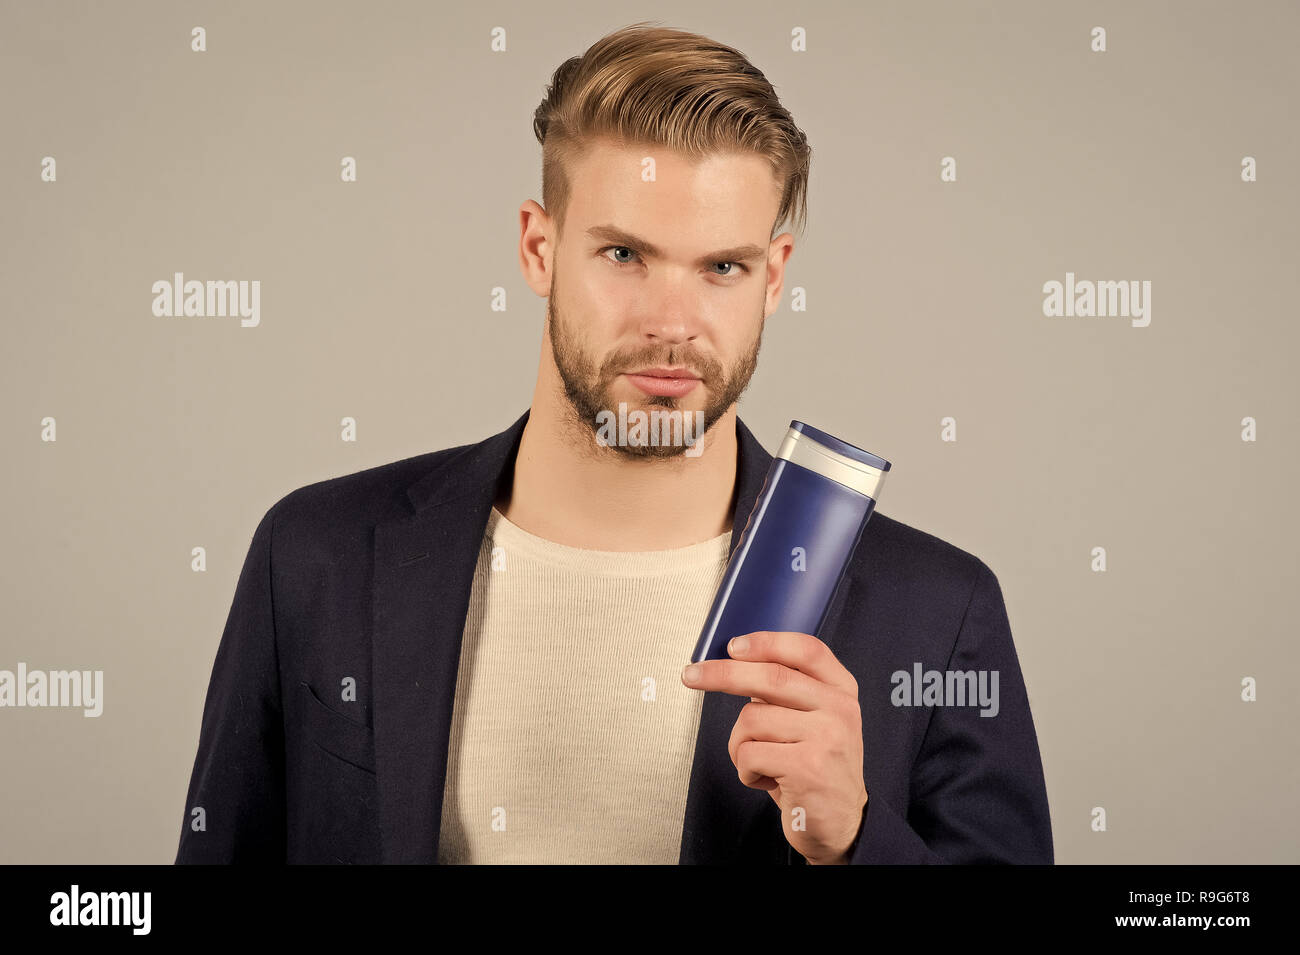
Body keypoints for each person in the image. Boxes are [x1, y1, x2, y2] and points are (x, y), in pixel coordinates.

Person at [175, 22, 1052, 865]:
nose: (673, 324)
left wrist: (854, 841)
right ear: (539, 247)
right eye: (625, 253)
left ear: (774, 276)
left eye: (722, 267)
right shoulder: (316, 554)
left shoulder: (939, 611)